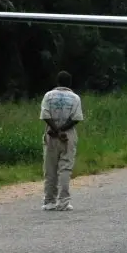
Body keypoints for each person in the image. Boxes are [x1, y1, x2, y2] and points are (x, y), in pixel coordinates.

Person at [40, 71, 84, 211]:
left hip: (51, 134)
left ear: (57, 82)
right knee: (65, 168)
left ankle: (49, 201)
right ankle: (63, 202)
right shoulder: (75, 98)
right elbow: (76, 118)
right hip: (68, 135)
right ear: (69, 83)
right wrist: (62, 131)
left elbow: (45, 115)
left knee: (50, 169)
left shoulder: (48, 96)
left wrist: (55, 130)